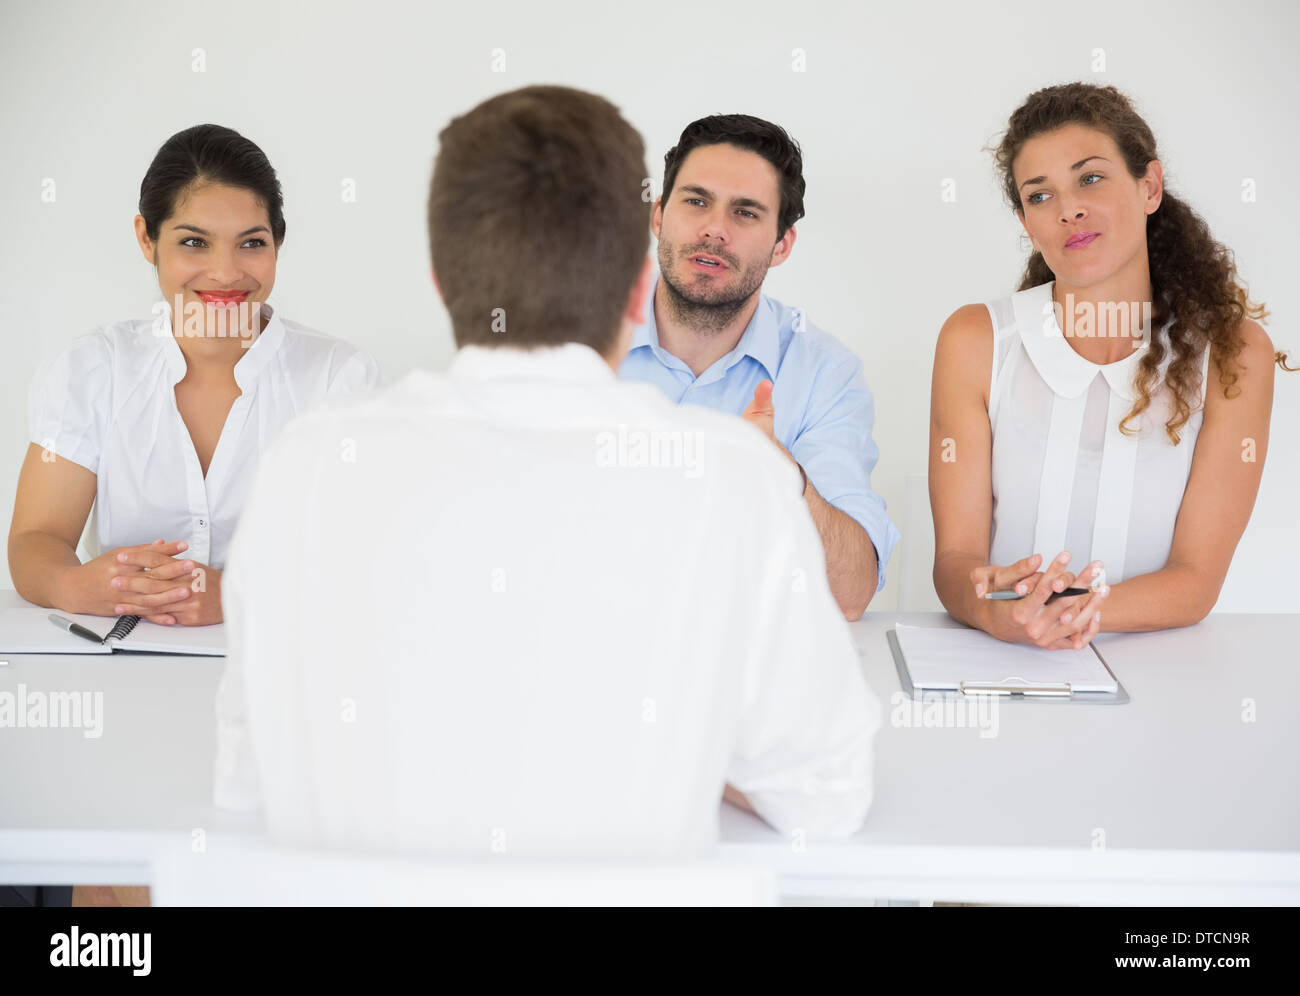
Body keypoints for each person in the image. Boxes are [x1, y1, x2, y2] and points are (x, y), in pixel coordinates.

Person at [214, 86, 880, 856]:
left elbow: (248, 778)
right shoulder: (734, 479)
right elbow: (828, 797)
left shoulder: (306, 465)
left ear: (440, 277)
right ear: (639, 285)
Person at [929, 83, 1290, 649]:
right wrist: (997, 610)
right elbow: (955, 563)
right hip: (1001, 661)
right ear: (1026, 221)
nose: (1068, 208)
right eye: (1039, 196)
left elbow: (1195, 580)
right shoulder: (976, 340)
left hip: (1158, 676)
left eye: (1090, 178)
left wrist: (1060, 612)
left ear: (1149, 187)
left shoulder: (1233, 353)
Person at [7, 124, 381, 627]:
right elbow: (36, 540)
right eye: (195, 242)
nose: (226, 272)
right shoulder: (92, 370)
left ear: (278, 242)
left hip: (285, 677)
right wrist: (79, 584)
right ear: (147, 238)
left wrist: (238, 595)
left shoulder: (339, 378)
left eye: (251, 242)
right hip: (127, 674)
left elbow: (360, 562)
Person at [619, 115, 899, 621]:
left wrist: (784, 477)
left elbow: (851, 594)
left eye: (745, 213)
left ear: (782, 245)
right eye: (696, 201)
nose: (714, 230)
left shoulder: (825, 373)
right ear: (659, 216)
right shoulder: (575, 343)